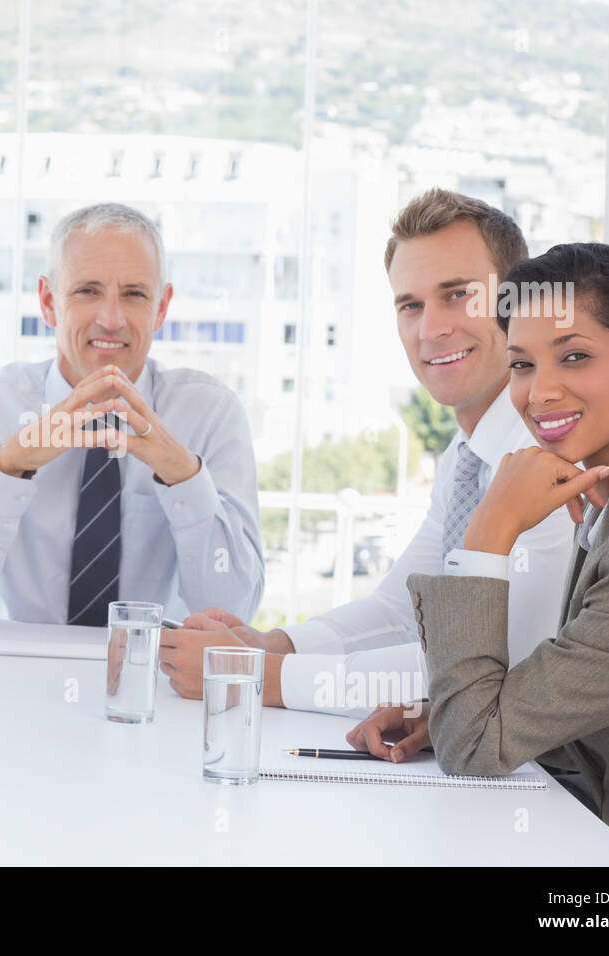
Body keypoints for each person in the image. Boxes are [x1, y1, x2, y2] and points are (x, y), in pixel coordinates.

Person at [159, 189, 574, 753]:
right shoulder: (466, 458)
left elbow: (494, 663)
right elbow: (402, 611)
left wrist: (261, 676)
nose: (432, 329)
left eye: (457, 295)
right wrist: (272, 644)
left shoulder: (546, 455)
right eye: (411, 305)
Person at [358, 243, 609, 866]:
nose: (540, 393)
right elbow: (598, 704)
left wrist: (491, 528)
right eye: (523, 365)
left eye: (575, 357)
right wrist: (450, 714)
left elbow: (473, 748)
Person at [0, 202, 263, 628]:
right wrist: (9, 467)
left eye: (134, 294)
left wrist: (183, 474)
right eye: (87, 291)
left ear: (161, 307)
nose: (111, 319)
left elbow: (234, 612)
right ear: (48, 302)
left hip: (153, 682)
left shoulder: (210, 414)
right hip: (5, 676)